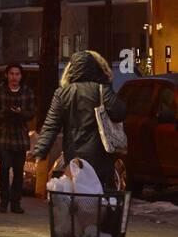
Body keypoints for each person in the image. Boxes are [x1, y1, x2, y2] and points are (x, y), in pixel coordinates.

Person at [32, 50, 126, 190]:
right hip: (100, 153)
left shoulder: (62, 94)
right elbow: (119, 113)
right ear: (95, 68)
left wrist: (40, 151)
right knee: (99, 191)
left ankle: (80, 211)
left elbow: (51, 125)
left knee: (78, 189)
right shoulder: (101, 90)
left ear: (71, 69)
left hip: (74, 153)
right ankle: (99, 211)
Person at [0, 62, 36, 213]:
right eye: (11, 74)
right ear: (6, 75)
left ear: (21, 76)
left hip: (20, 135)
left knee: (18, 171)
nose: (14, 77)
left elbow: (31, 112)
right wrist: (6, 113)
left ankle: (16, 202)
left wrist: (20, 113)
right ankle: (4, 201)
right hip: (4, 134)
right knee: (4, 169)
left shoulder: (27, 92)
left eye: (17, 74)